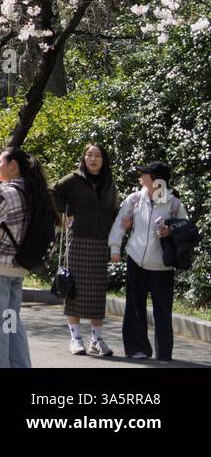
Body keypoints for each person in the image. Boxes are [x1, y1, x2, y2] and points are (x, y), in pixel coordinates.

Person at [0, 146, 58, 369]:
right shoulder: (34, 192)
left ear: (13, 165)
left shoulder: (6, 193)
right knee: (11, 324)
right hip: (17, 269)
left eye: (0, 162)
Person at [109, 161, 186, 361]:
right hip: (136, 260)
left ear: (156, 180)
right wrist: (115, 249)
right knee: (134, 306)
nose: (140, 177)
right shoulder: (134, 199)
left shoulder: (174, 203)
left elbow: (186, 228)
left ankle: (164, 353)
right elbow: (119, 224)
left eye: (144, 174)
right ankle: (137, 349)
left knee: (163, 309)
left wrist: (170, 230)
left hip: (162, 264)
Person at [52, 143, 120, 357]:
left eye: (97, 155)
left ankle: (96, 339)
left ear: (104, 160)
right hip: (78, 239)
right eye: (89, 155)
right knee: (75, 289)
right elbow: (52, 192)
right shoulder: (74, 179)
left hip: (100, 240)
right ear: (83, 158)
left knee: (97, 291)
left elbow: (115, 210)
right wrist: (63, 215)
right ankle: (75, 338)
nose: (93, 159)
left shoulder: (109, 183)